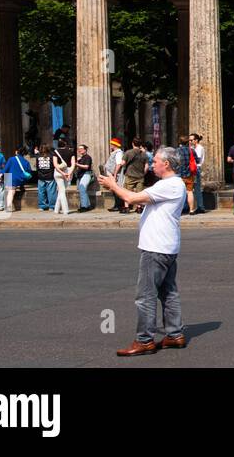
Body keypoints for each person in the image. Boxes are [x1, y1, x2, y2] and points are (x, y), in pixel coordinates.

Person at [98, 145, 187, 356]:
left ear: (166, 164)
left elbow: (131, 198)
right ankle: (174, 334)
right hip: (166, 245)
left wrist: (113, 184)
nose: (152, 164)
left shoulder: (169, 185)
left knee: (145, 295)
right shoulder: (172, 184)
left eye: (155, 161)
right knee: (168, 292)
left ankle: (144, 339)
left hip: (155, 247)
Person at [121, 138, 149, 213]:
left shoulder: (128, 152)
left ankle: (127, 207)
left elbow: (123, 163)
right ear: (140, 145)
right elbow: (146, 167)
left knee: (127, 191)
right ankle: (139, 208)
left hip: (130, 175)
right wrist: (143, 173)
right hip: (140, 176)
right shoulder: (144, 154)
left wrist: (119, 166)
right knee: (139, 192)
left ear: (132, 143)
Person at [3, 146, 32, 211]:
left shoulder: (11, 159)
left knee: (11, 191)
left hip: (13, 179)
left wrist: (1, 174)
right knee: (16, 181)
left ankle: (9, 206)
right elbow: (29, 171)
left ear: (16, 152)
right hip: (21, 179)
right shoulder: (26, 161)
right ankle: (22, 187)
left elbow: (6, 169)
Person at [34, 144, 57, 211]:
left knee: (41, 192)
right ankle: (52, 206)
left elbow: (37, 167)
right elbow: (53, 166)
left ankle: (42, 206)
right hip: (50, 176)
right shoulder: (51, 156)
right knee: (52, 192)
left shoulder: (38, 156)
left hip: (41, 176)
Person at [105, 138, 125, 212]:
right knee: (114, 190)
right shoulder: (115, 152)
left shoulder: (118, 153)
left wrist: (115, 174)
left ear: (114, 145)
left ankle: (118, 205)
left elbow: (118, 164)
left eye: (111, 144)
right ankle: (117, 205)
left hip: (116, 175)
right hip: (113, 174)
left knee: (117, 190)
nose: (110, 145)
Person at [73, 144, 94, 212]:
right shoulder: (81, 158)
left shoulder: (87, 157)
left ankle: (84, 206)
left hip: (86, 174)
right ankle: (87, 205)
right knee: (83, 190)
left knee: (82, 189)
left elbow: (86, 166)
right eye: (79, 149)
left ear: (85, 150)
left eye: (81, 148)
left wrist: (77, 164)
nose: (80, 150)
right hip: (81, 175)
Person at [190, 133, 207, 214]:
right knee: (193, 189)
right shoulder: (193, 148)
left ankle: (200, 206)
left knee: (196, 189)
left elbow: (198, 159)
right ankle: (198, 206)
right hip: (193, 169)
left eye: (191, 140)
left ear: (196, 140)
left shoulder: (199, 148)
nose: (190, 141)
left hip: (196, 169)